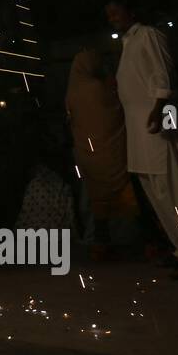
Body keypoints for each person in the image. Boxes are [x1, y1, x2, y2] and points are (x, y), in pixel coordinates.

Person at [106, 0, 178, 279]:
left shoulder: (149, 35)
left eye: (116, 12)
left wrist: (161, 112)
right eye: (110, 14)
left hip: (160, 124)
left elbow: (163, 78)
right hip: (140, 131)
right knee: (159, 193)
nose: (112, 18)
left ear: (131, 12)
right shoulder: (128, 43)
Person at [65, 49, 138, 260]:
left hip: (89, 155)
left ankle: (101, 245)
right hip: (113, 152)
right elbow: (117, 109)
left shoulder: (72, 92)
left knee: (99, 203)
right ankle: (152, 241)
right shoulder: (99, 87)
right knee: (130, 196)